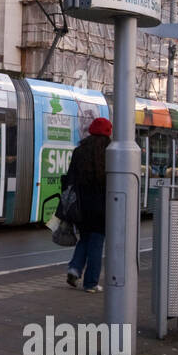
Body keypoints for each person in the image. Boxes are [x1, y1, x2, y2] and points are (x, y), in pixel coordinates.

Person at [63, 117, 111, 293]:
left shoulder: (79, 151)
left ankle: (74, 269)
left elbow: (70, 178)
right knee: (96, 243)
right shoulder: (109, 153)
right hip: (102, 206)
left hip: (81, 205)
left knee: (85, 237)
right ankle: (91, 283)